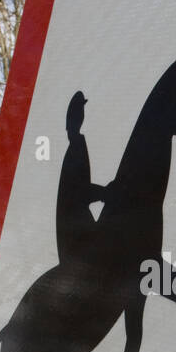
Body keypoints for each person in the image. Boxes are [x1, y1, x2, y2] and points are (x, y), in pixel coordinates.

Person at [55, 91, 109, 265]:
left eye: (81, 112)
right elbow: (79, 191)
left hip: (77, 223)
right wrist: (106, 192)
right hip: (75, 230)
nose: (81, 117)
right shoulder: (76, 146)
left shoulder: (77, 143)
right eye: (78, 112)